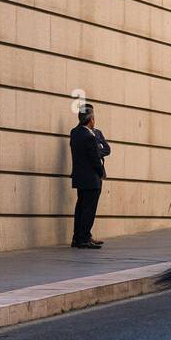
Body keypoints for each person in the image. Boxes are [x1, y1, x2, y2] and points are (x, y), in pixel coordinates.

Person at [69, 105, 110, 248]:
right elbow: (94, 159)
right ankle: (84, 238)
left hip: (80, 177)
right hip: (91, 178)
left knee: (80, 207)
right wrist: (100, 174)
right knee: (89, 210)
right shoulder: (89, 136)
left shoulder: (74, 133)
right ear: (91, 120)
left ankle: (77, 237)